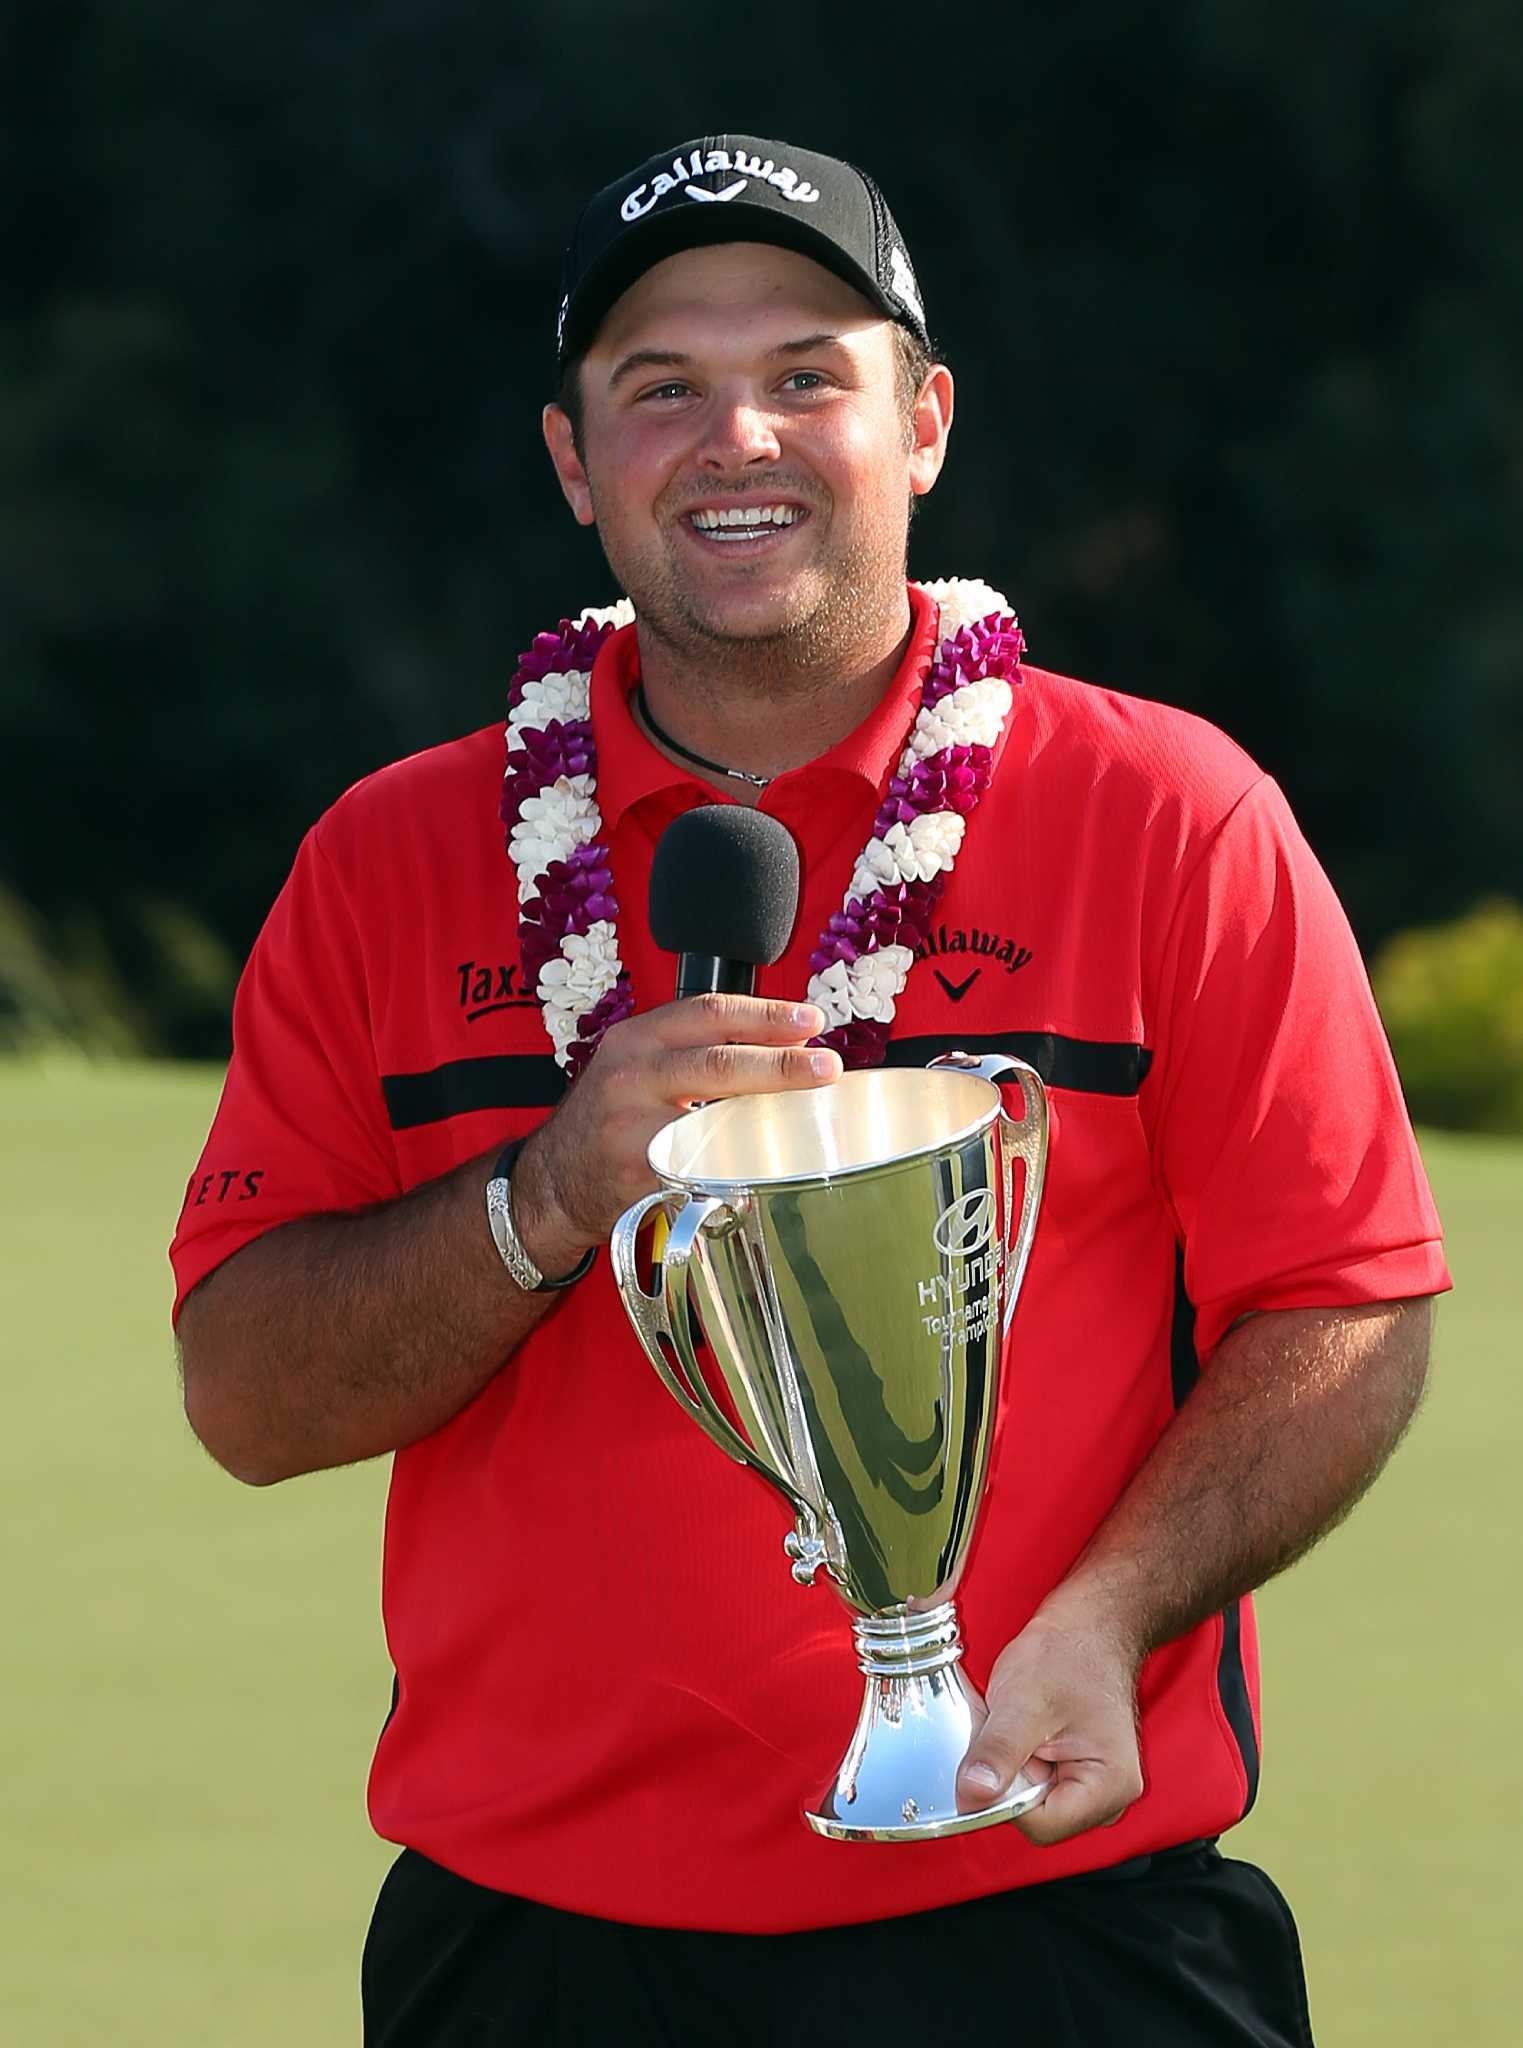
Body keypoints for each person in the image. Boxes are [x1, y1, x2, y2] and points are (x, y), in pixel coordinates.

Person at [172, 135, 1450, 2045]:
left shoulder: (1172, 817)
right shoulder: (388, 859)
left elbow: (1347, 1305)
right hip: (534, 1959)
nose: (736, 437)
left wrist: (1112, 1616)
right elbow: (249, 1395)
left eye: (805, 377)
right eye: (661, 388)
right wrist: (543, 1198)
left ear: (923, 425)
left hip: (1058, 1923)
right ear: (571, 460)